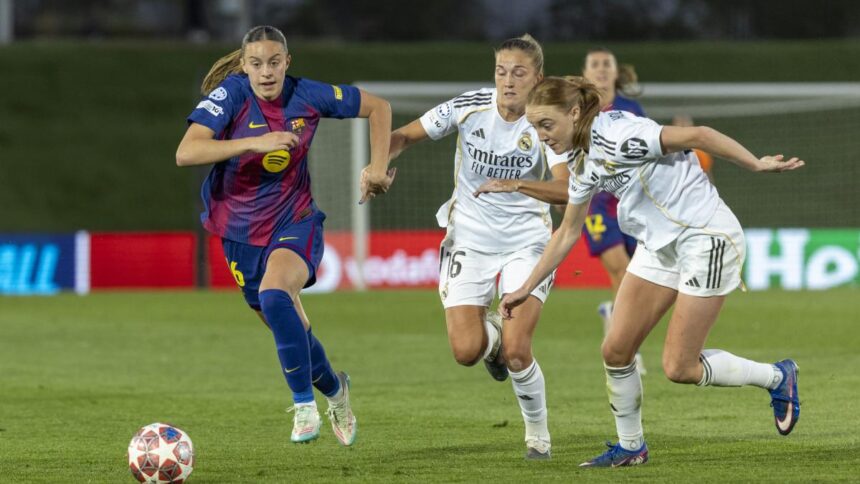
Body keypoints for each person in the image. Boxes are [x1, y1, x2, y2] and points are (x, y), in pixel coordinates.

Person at [496, 76, 803, 466]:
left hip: (704, 236)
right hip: (659, 246)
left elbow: (702, 135)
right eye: (535, 127)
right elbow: (568, 231)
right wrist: (525, 287)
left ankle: (777, 377)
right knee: (616, 349)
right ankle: (631, 447)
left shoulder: (623, 136)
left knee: (680, 367)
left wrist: (755, 164)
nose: (541, 136)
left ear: (574, 113)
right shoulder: (582, 159)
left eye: (546, 125)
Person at [175, 25, 394, 446]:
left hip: (295, 221)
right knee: (290, 328)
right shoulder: (232, 96)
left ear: (287, 62)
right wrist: (252, 143)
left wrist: (378, 166)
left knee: (277, 296)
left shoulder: (307, 95)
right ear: (244, 65)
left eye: (274, 62)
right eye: (256, 64)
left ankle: (303, 408)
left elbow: (379, 107)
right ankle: (335, 391)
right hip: (238, 234)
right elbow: (187, 152)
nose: (266, 72)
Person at [388, 34, 568, 460]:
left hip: (527, 243)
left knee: (519, 346)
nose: (508, 81)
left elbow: (565, 190)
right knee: (466, 351)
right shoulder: (468, 107)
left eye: (519, 73)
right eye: (501, 71)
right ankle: (492, 348)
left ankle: (538, 435)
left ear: (537, 78)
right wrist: (377, 167)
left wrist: (516, 184)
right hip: (468, 238)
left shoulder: (545, 123)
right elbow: (402, 136)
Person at [581, 48, 647, 372]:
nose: (602, 69)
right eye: (595, 64)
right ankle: (628, 348)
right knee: (621, 270)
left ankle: (615, 315)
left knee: (636, 275)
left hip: (631, 203)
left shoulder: (632, 109)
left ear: (617, 72)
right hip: (595, 204)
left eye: (608, 63)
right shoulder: (577, 109)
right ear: (585, 73)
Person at [673, 114, 715, 183]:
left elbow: (708, 178)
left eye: (685, 124)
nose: (683, 127)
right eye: (680, 124)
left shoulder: (699, 153)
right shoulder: (667, 150)